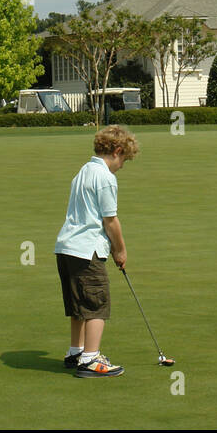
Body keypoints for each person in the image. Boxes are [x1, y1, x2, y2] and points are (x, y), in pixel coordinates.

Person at [54, 125, 140, 377]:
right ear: (117, 151)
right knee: (96, 305)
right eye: (124, 159)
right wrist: (120, 251)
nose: (123, 165)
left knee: (78, 304)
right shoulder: (105, 177)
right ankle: (91, 359)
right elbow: (110, 221)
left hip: (66, 248)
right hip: (87, 250)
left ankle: (76, 352)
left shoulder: (83, 170)